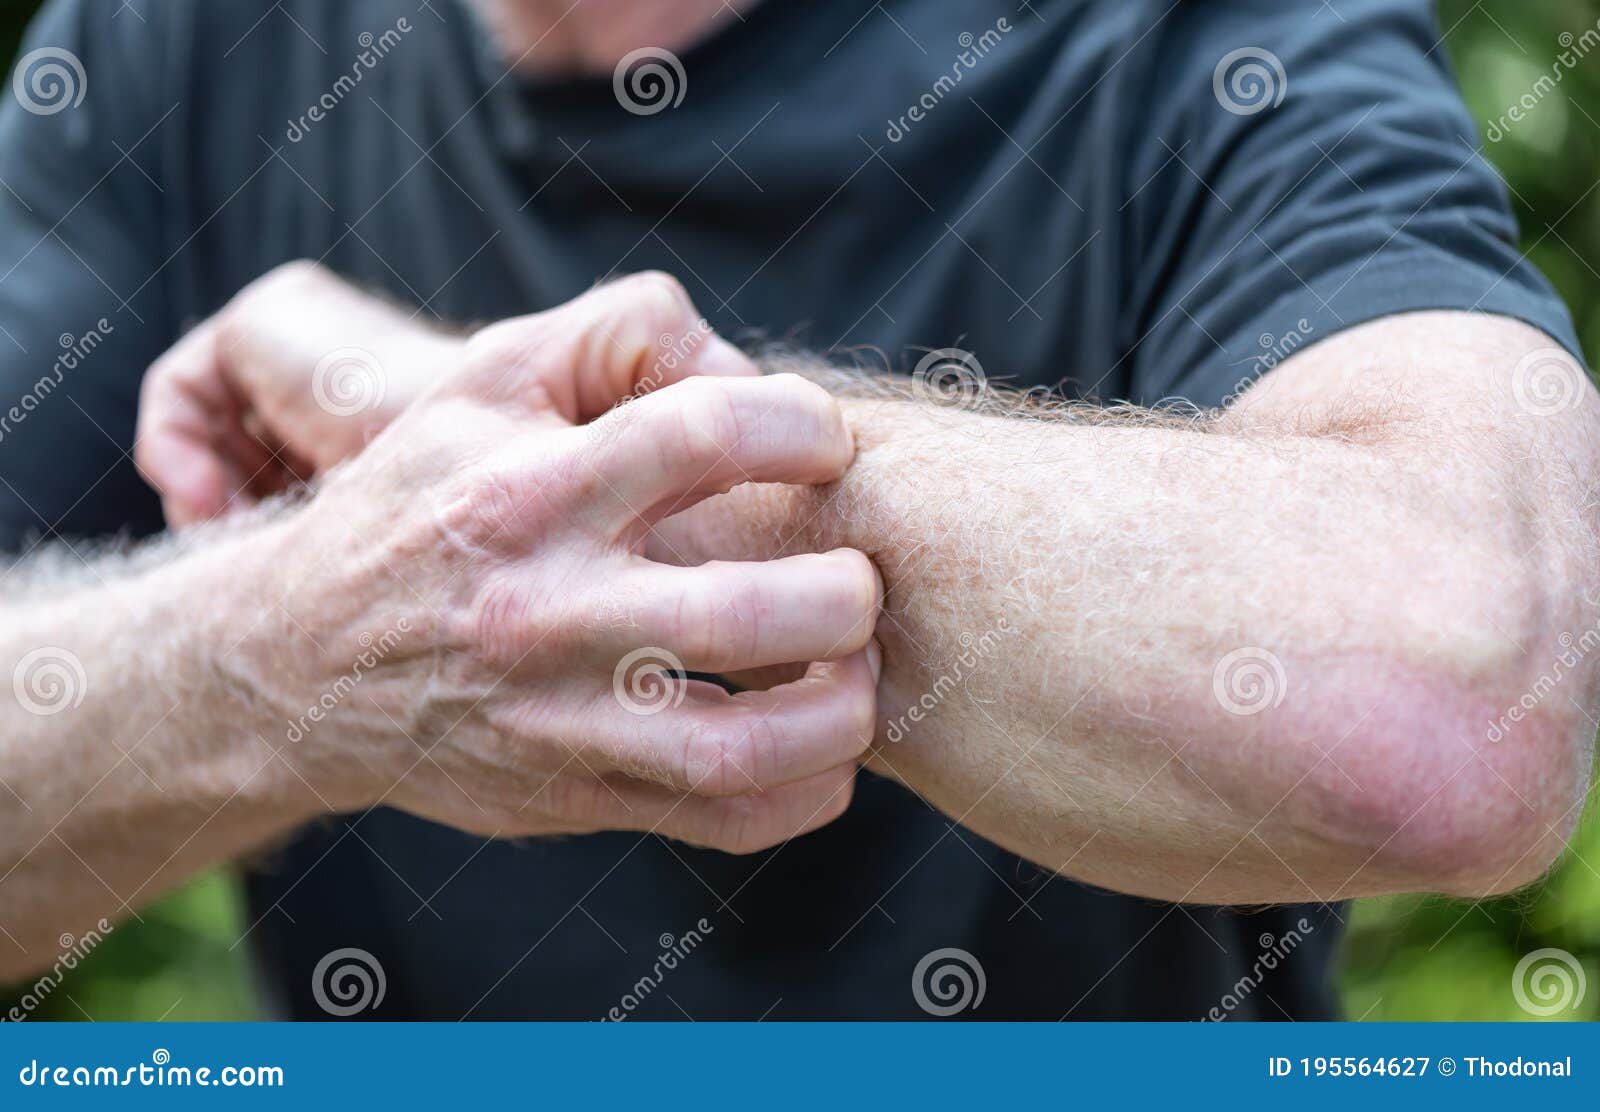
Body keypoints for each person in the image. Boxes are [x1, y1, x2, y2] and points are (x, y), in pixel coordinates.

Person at [0, 0, 1594, 1020]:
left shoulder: (1209, 41)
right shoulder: (176, 42)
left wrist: (475, 456)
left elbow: (1458, 691)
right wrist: (266, 651)